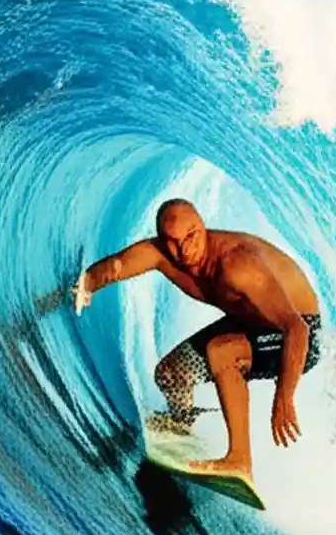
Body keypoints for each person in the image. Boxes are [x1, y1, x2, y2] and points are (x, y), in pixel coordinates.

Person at [72, 199, 322, 479]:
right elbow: (118, 265)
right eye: (173, 242)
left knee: (221, 351)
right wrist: (87, 284)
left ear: (202, 225)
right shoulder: (163, 255)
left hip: (300, 335)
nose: (184, 249)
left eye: (191, 236)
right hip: (254, 325)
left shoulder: (236, 265)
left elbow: (296, 328)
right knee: (171, 374)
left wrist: (284, 398)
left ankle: (240, 460)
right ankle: (181, 426)